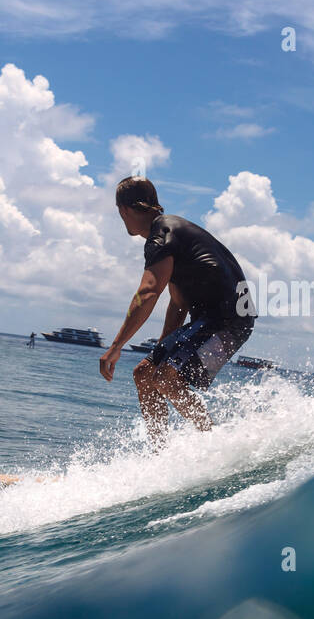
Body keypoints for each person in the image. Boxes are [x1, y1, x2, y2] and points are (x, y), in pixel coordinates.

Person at [99, 177, 255, 446]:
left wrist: (116, 347)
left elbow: (148, 292)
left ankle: (214, 443)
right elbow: (178, 302)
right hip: (214, 319)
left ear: (123, 210)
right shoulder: (174, 232)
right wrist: (161, 349)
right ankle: (159, 453)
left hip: (229, 321)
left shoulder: (162, 236)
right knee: (145, 373)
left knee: (168, 377)